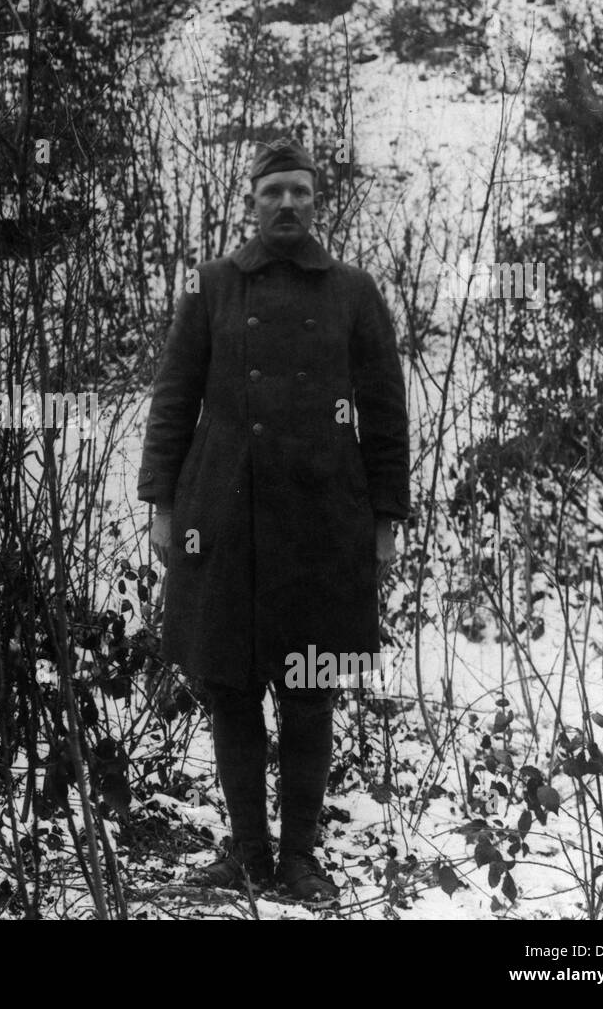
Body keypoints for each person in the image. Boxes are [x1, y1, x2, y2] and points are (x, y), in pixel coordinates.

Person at [138, 137, 410, 901]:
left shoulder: (354, 291)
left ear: (317, 203)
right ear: (252, 203)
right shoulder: (214, 287)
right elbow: (173, 400)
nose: (287, 204)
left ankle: (298, 859)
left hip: (323, 521)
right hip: (224, 517)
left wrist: (386, 519)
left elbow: (386, 413)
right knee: (230, 688)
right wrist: (163, 507)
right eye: (273, 193)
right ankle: (248, 853)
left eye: (300, 192)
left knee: (309, 690)